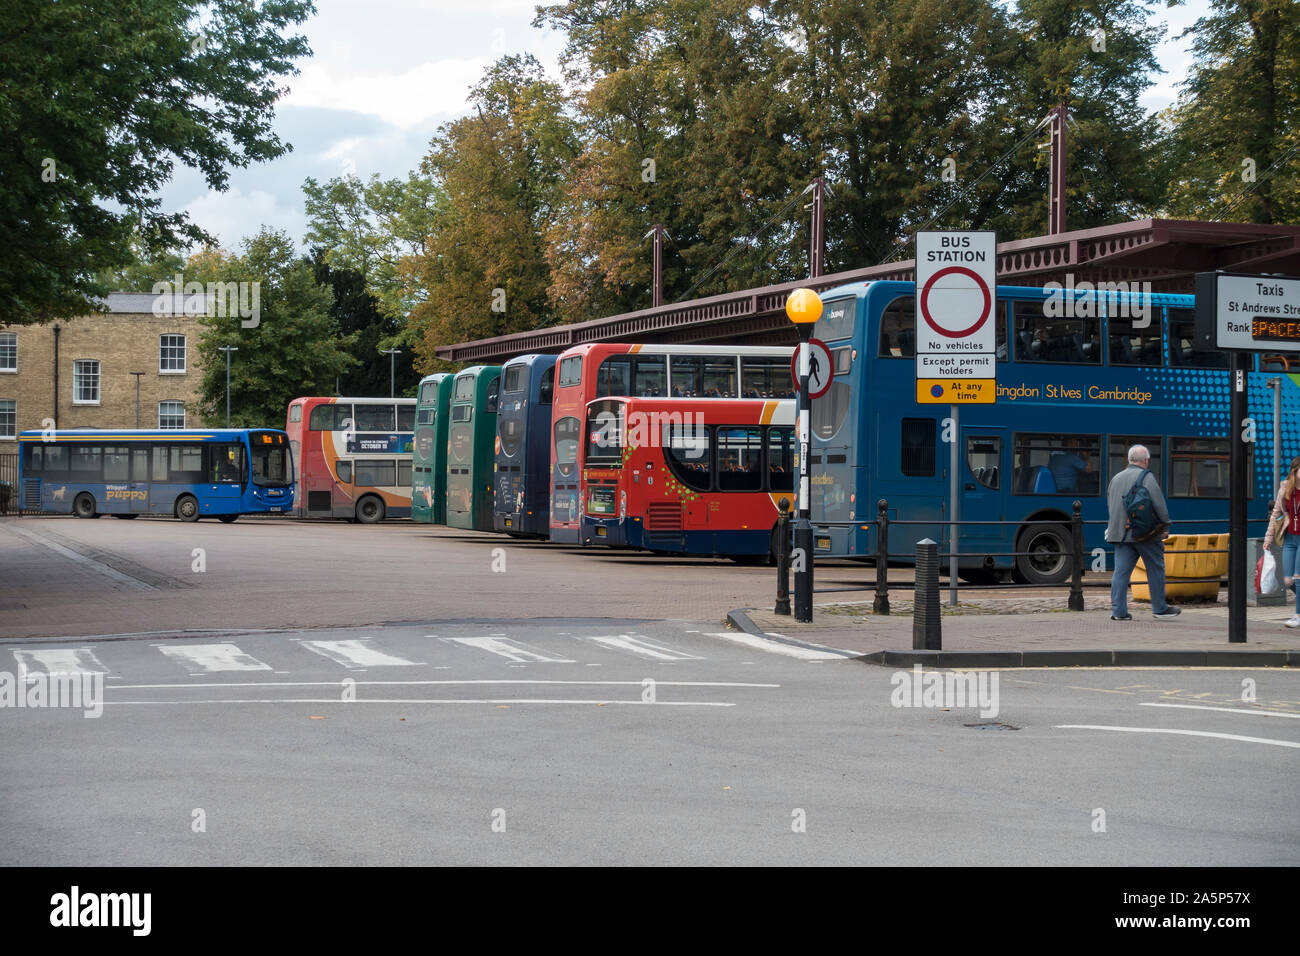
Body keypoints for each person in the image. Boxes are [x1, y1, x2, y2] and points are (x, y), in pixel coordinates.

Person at [1106, 444, 1180, 620]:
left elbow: (1111, 505)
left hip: (1120, 534)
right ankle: (1159, 608)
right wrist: (1165, 526)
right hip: (1144, 533)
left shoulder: (1115, 478)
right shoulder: (1146, 477)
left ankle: (1118, 612)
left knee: (1121, 573)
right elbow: (1158, 504)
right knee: (1155, 568)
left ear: (1130, 459)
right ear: (1146, 460)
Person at [1262, 455, 1300, 628]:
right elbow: (1276, 513)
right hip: (1290, 538)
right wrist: (1268, 538)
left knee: (1298, 578)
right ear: (1294, 471)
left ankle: (1298, 615)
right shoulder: (1285, 489)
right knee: (1288, 580)